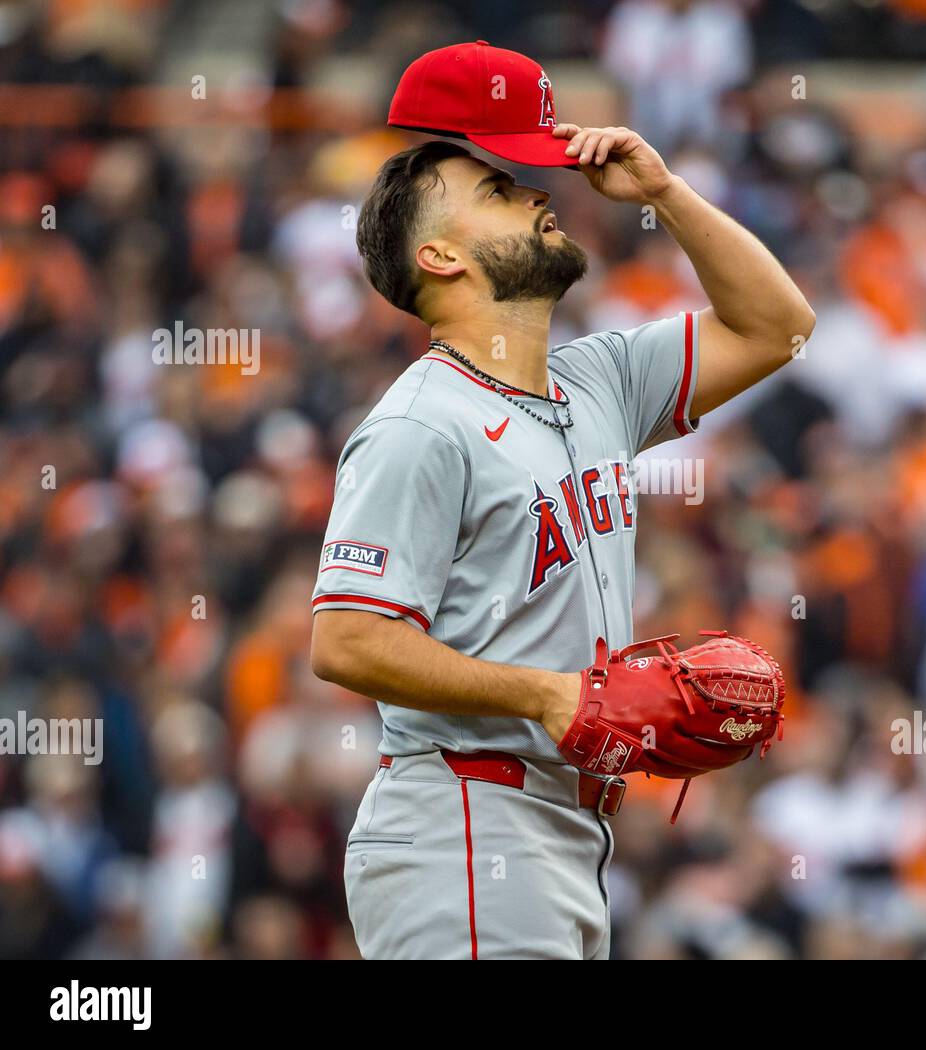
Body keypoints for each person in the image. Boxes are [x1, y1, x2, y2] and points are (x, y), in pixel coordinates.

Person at [309, 120, 815, 958]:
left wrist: (663, 192)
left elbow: (778, 326)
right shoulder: (420, 424)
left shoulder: (599, 378)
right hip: (465, 824)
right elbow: (348, 639)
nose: (537, 193)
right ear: (441, 258)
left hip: (560, 836)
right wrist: (550, 694)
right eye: (497, 194)